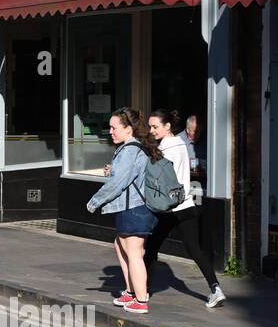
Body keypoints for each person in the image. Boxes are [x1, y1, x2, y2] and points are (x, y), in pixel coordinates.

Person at [144, 108, 224, 309]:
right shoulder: (181, 144)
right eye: (150, 126)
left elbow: (154, 173)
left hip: (170, 207)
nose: (151, 130)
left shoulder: (167, 147)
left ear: (167, 126)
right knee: (194, 249)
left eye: (155, 126)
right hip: (186, 204)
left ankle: (140, 288)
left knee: (152, 246)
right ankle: (215, 288)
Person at [87, 108, 163, 315]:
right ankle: (131, 292)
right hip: (131, 207)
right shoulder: (130, 149)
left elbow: (117, 184)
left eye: (114, 128)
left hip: (135, 209)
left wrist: (94, 202)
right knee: (121, 246)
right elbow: (127, 175)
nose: (110, 131)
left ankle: (141, 299)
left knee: (135, 253)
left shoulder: (130, 150)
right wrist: (113, 170)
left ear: (128, 129)